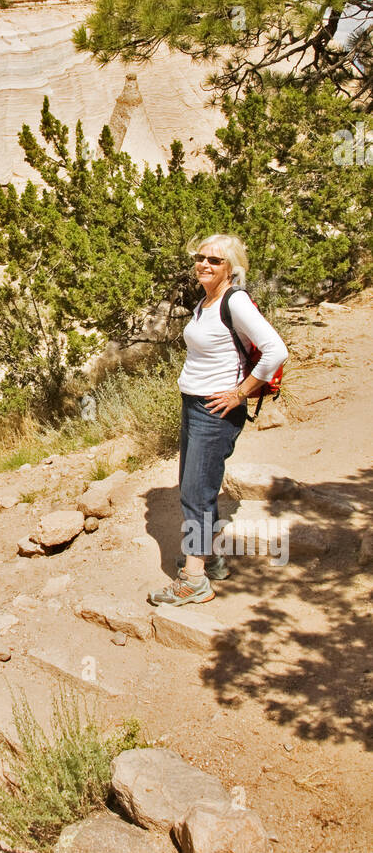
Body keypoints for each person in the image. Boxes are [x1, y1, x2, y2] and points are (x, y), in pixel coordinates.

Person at [148, 234, 289, 607]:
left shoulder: (235, 301)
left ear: (231, 267)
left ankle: (194, 580)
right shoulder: (206, 301)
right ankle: (211, 560)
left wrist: (240, 392)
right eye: (200, 258)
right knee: (194, 486)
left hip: (216, 411)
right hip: (193, 405)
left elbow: (276, 350)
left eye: (214, 260)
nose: (205, 265)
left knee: (196, 493)